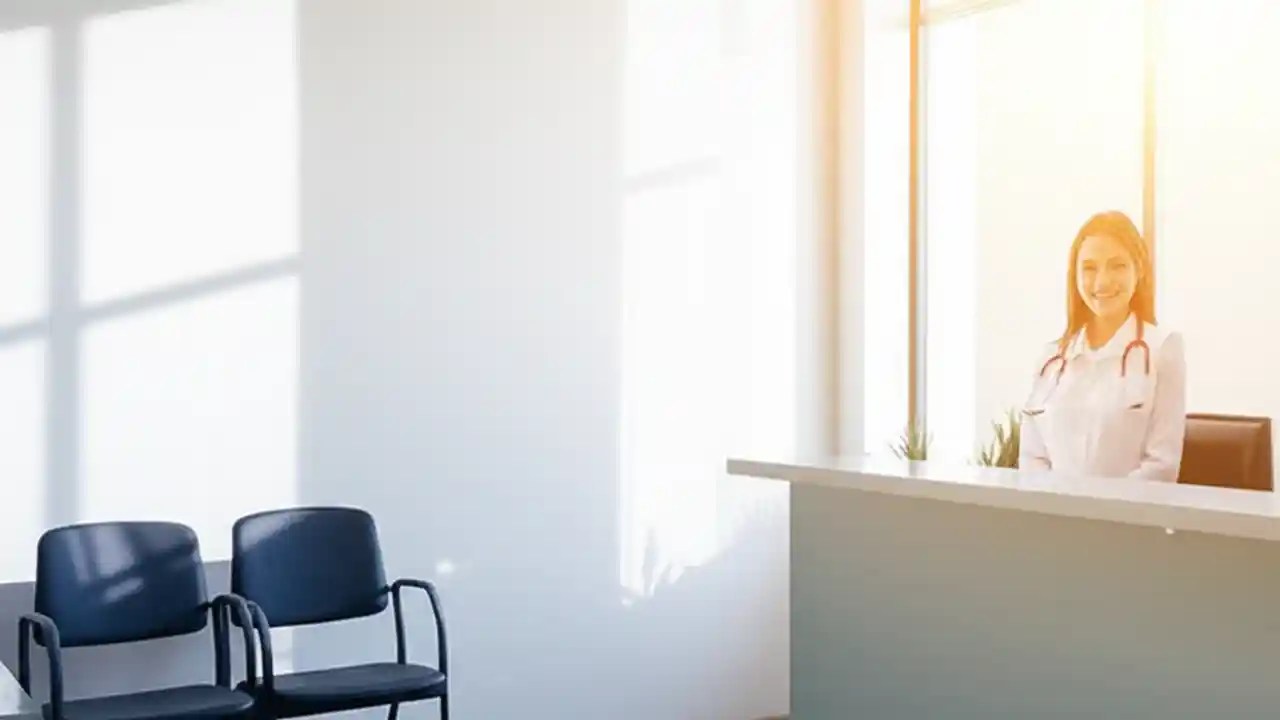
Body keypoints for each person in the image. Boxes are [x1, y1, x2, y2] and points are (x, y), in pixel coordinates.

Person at [1019, 210, 1186, 482]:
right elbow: (1032, 458)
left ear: (1139, 269)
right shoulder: (1051, 359)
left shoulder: (1163, 349)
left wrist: (1100, 512)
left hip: (1127, 520)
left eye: (1117, 265)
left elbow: (1162, 465)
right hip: (1054, 518)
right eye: (1089, 268)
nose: (1102, 281)